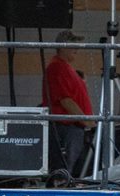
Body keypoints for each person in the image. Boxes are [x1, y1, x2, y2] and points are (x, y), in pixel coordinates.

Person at [42, 29, 93, 180]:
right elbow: (65, 100)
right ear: (63, 46)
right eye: (73, 45)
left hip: (73, 126)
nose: (77, 49)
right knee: (66, 167)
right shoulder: (57, 68)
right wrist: (87, 121)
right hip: (67, 127)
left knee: (73, 166)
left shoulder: (65, 67)